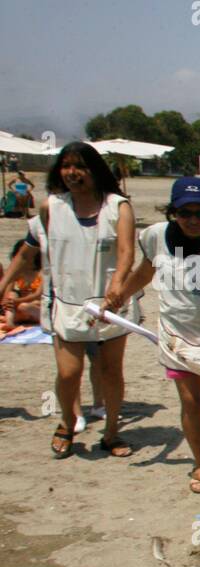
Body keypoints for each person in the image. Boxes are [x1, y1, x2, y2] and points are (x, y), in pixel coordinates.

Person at [0, 142, 139, 458]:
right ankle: (66, 422)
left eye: (80, 166)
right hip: (66, 303)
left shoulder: (118, 207)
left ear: (95, 170)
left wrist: (116, 287)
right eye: (66, 166)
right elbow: (28, 251)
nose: (73, 173)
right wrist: (4, 283)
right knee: (68, 372)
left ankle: (112, 432)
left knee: (110, 372)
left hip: (110, 305)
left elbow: (126, 252)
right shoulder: (52, 207)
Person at [117, 177, 200, 493]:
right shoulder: (156, 236)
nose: (194, 221)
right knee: (192, 401)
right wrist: (117, 296)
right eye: (186, 213)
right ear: (173, 212)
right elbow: (144, 273)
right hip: (174, 334)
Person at [1, 238, 42, 332]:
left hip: (37, 305)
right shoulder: (18, 272)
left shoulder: (41, 272)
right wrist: (7, 300)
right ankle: (10, 323)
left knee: (23, 306)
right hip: (19, 304)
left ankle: (14, 318)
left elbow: (38, 294)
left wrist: (17, 301)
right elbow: (8, 289)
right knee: (12, 295)